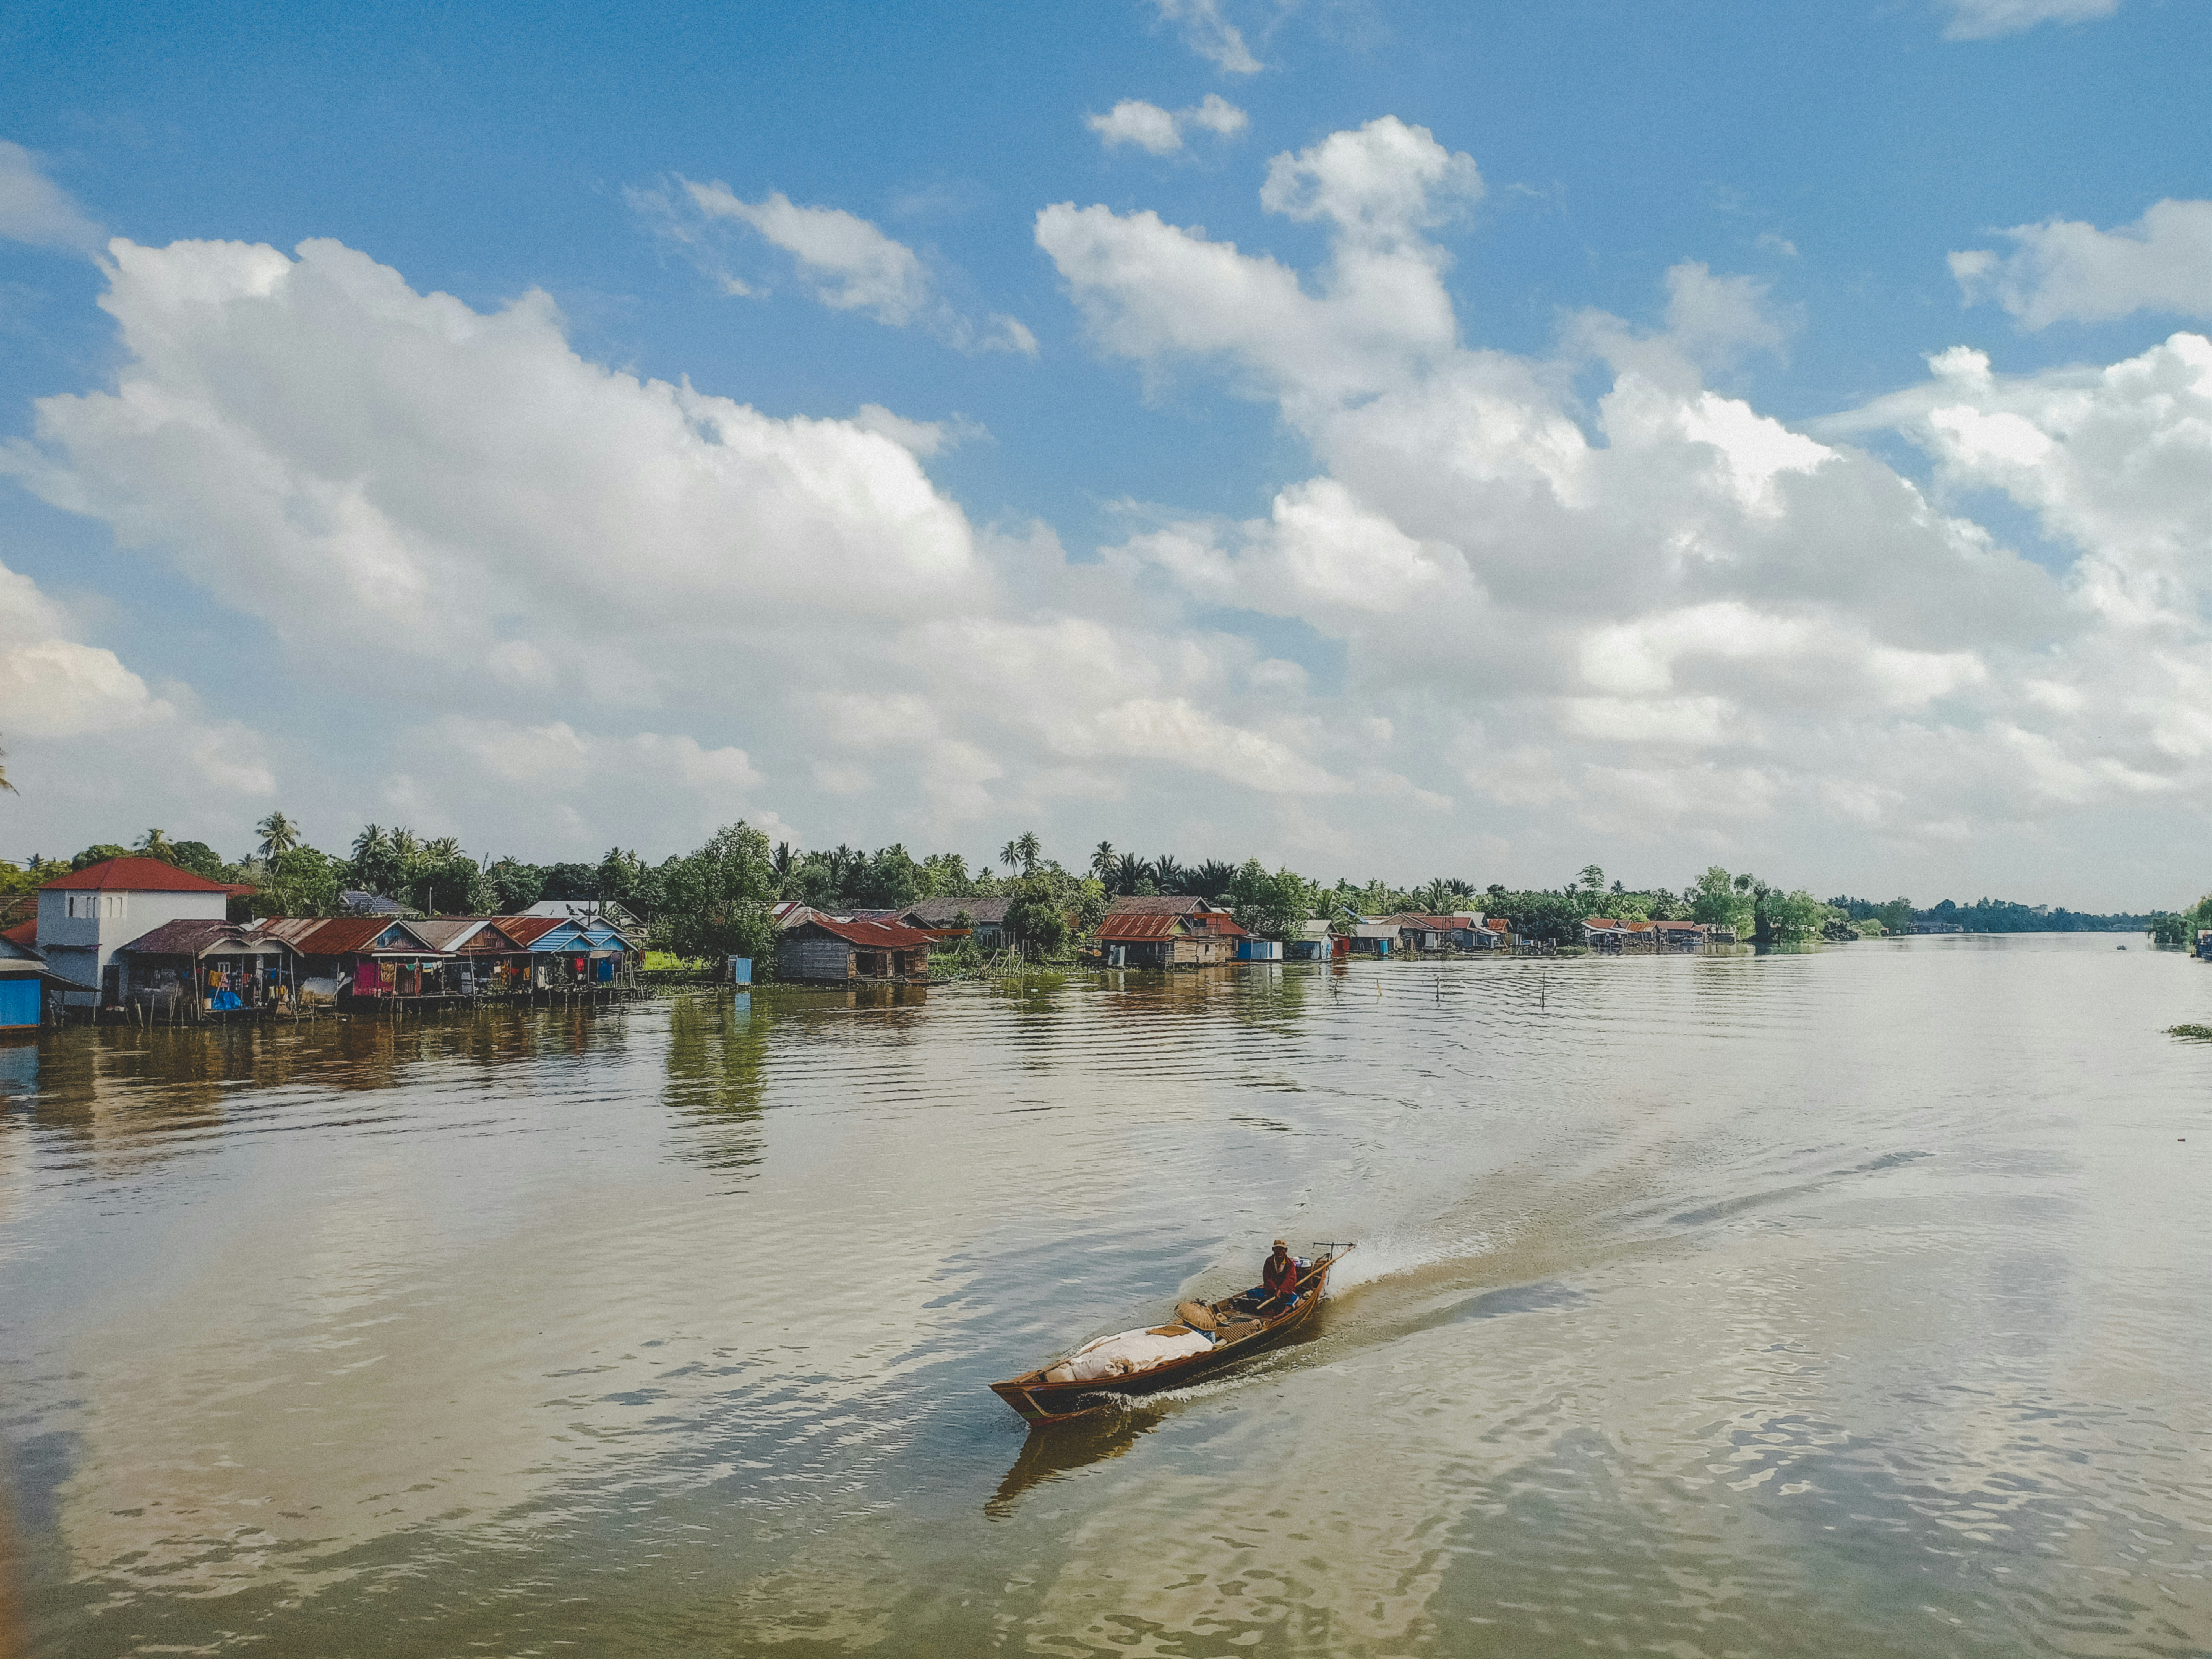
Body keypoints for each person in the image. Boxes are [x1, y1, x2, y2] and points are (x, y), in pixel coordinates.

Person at [1259, 1239, 1302, 1308]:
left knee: (1294, 1298)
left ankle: (1283, 1313)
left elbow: (1291, 1279)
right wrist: (1275, 1289)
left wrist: (1281, 1290)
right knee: (1254, 1293)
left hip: (1285, 1290)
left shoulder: (1290, 1264)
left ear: (1285, 1250)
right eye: (1277, 1249)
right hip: (1272, 1289)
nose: (1279, 1251)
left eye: (1282, 1249)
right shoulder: (1269, 1261)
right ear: (1274, 1250)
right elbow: (1267, 1277)